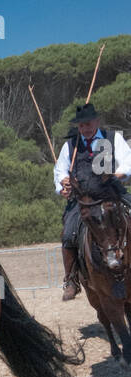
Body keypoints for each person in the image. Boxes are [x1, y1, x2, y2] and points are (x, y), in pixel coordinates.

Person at [54, 102, 131, 299]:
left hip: (112, 193)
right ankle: (71, 280)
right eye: (81, 126)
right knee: (68, 234)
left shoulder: (113, 138)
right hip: (83, 200)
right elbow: (60, 170)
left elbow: (128, 161)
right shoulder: (70, 145)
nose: (85, 129)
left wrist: (119, 174)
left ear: (97, 121)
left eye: (88, 124)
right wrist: (63, 185)